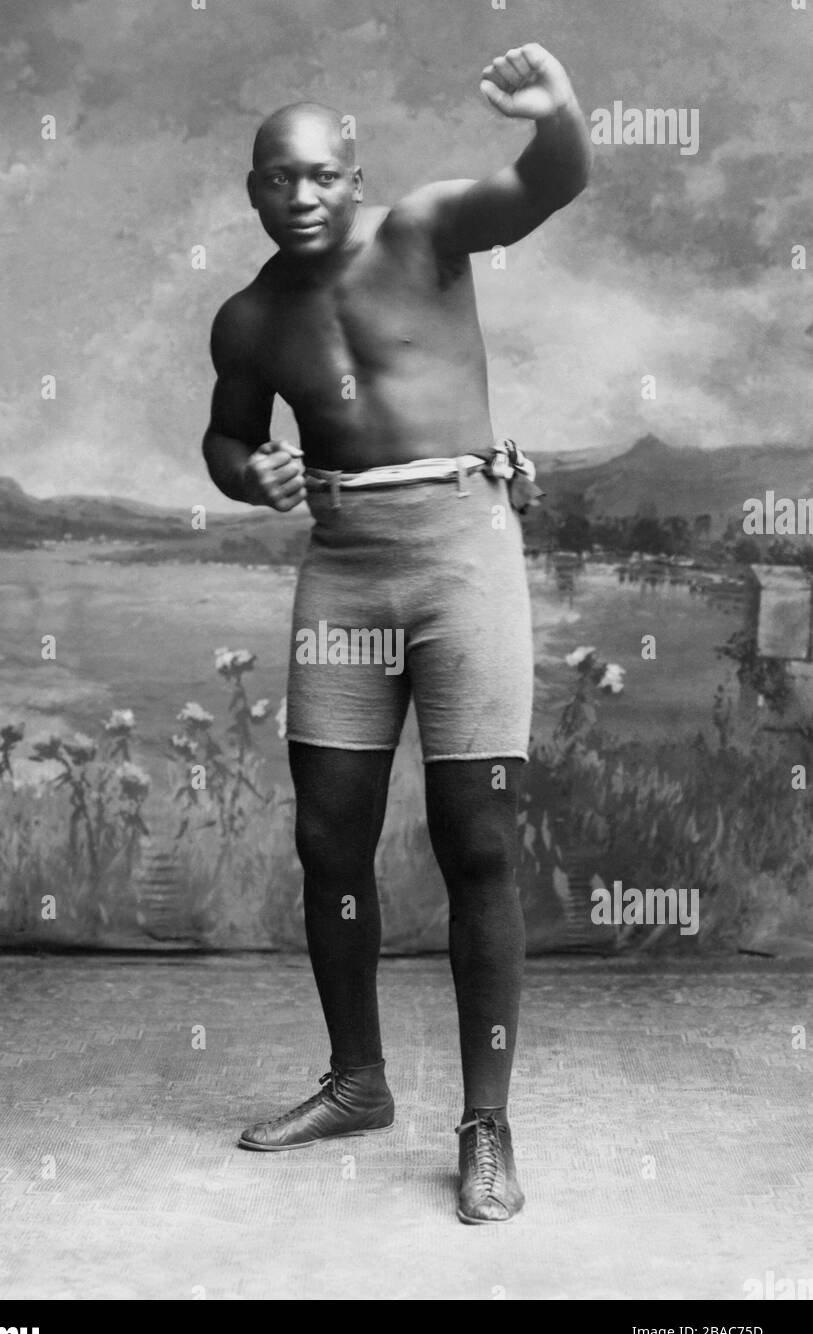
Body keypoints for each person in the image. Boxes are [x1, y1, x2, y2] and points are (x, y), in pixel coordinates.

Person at [203, 45, 590, 1224]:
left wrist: (558, 113)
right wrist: (247, 471)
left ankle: (485, 1124)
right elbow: (224, 437)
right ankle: (357, 1080)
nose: (304, 195)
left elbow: (547, 183)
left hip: (461, 560)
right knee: (331, 843)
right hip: (345, 576)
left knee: (476, 841)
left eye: (323, 175)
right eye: (282, 179)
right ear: (254, 188)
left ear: (355, 174)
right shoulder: (250, 317)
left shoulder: (422, 231)